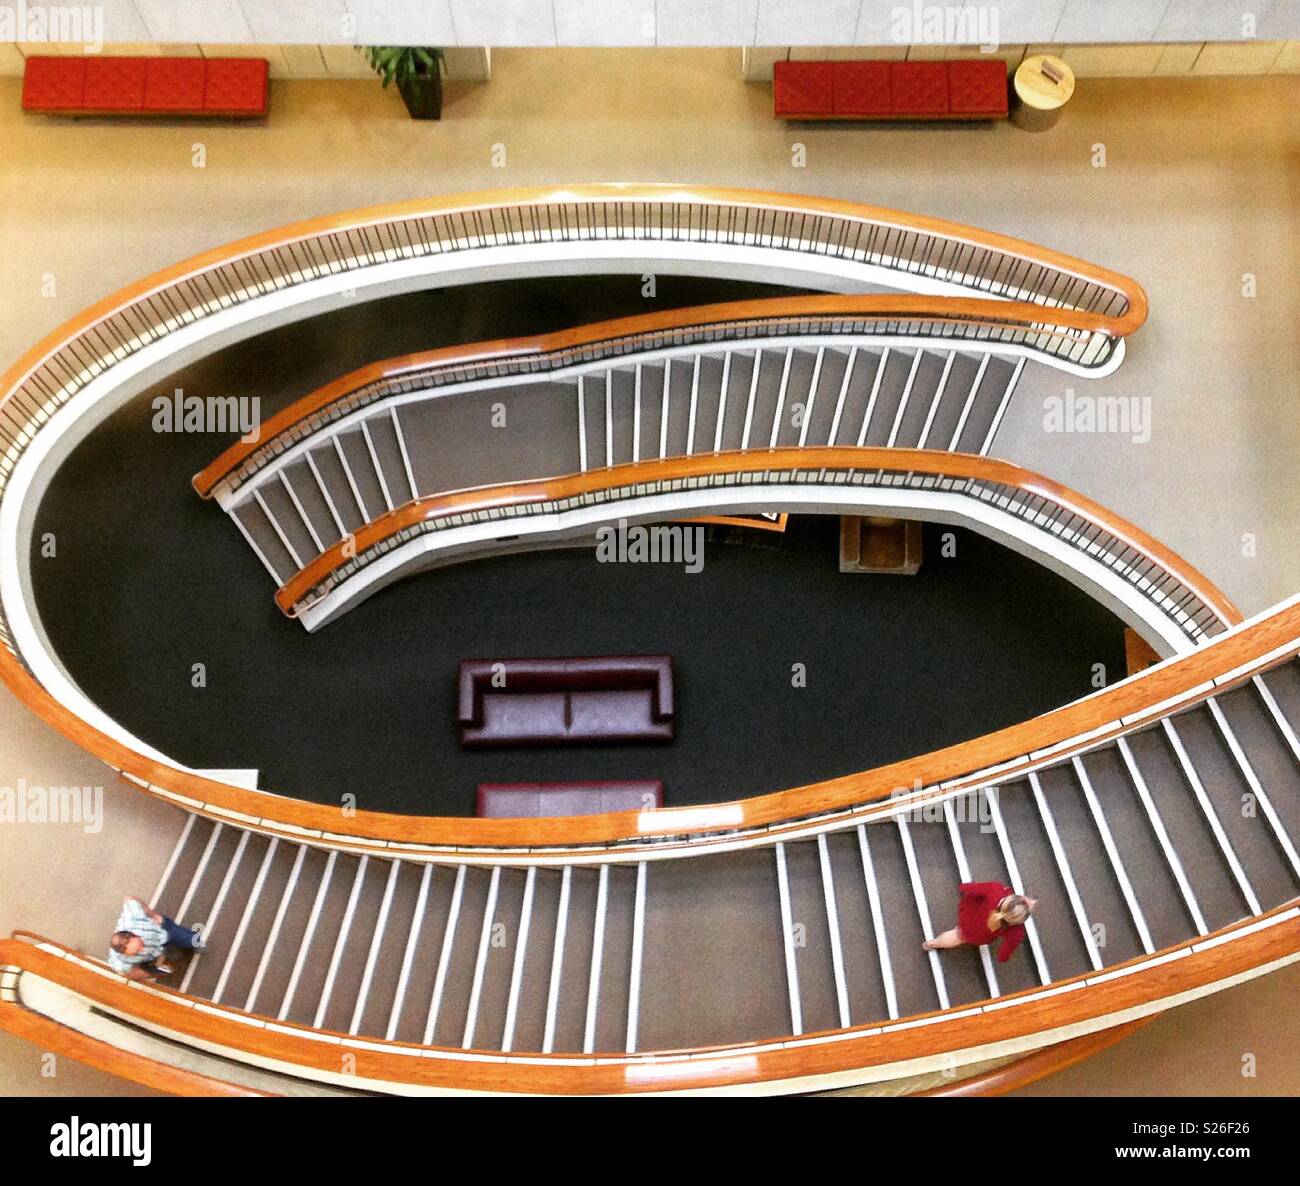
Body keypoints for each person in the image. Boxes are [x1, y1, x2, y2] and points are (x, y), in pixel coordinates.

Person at [923, 881, 1036, 963]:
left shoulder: (995, 890)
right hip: (977, 934)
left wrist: (963, 887)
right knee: (959, 937)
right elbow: (1004, 954)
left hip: (970, 915)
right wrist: (1003, 958)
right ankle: (932, 945)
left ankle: (933, 943)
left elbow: (970, 888)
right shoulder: (1017, 931)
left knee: (956, 934)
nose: (1033, 901)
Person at [107, 895, 205, 982]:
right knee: (163, 964)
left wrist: (152, 914)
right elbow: (128, 973)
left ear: (135, 934)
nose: (141, 948)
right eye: (137, 951)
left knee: (191, 939)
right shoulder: (120, 963)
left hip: (162, 932)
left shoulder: (133, 917)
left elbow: (129, 899)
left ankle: (196, 944)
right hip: (150, 955)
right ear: (125, 954)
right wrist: (151, 973)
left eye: (140, 944)